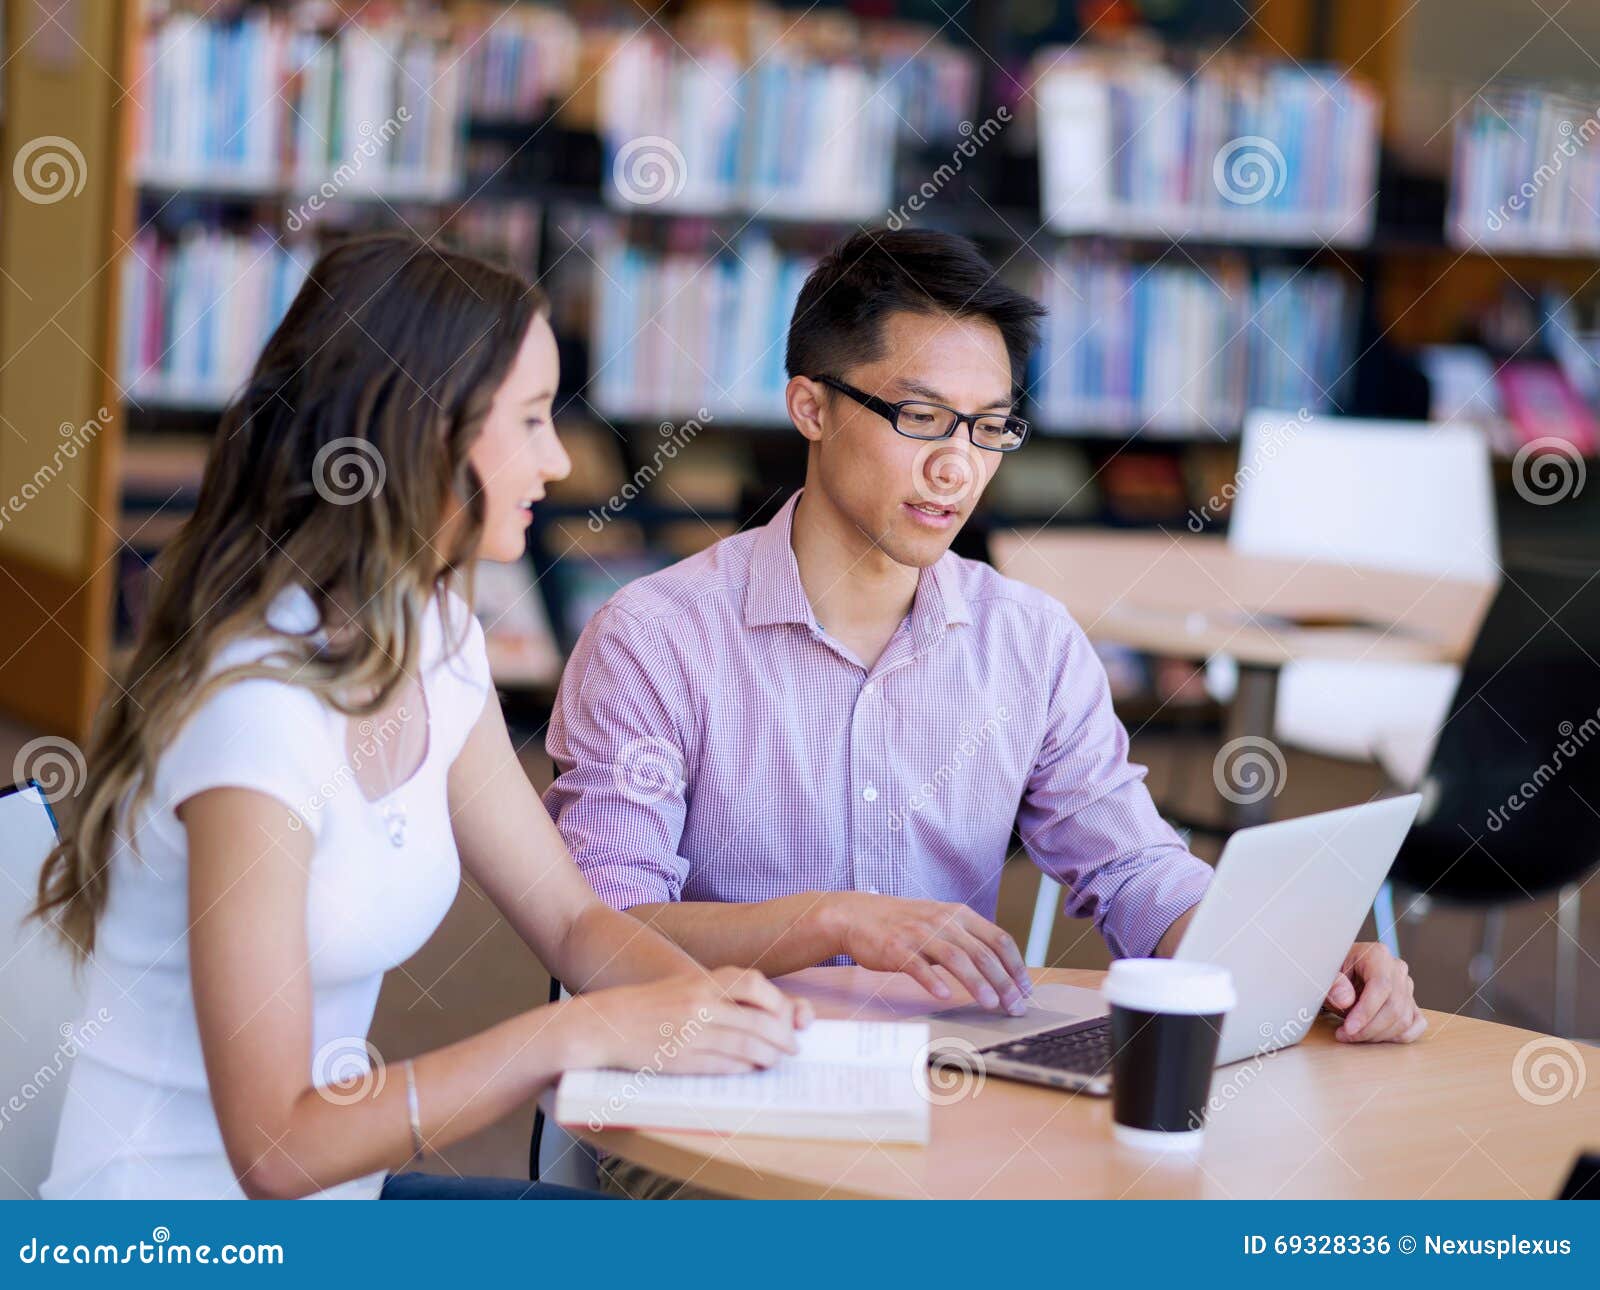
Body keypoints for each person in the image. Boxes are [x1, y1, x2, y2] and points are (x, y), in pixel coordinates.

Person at [546, 225, 1426, 1078]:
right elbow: (604, 928)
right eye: (922, 417)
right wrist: (834, 922)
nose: (957, 467)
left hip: (937, 1097)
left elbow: (1130, 869)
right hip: (707, 1087)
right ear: (810, 405)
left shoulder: (1029, 643)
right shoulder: (654, 639)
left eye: (989, 428)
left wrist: (1298, 962)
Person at [32, 234, 808, 1202]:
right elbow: (276, 1151)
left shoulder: (431, 630)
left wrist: (705, 1010)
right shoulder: (255, 721)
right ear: (424, 430)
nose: (558, 460)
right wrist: (566, 1036)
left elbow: (569, 921)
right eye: (528, 421)